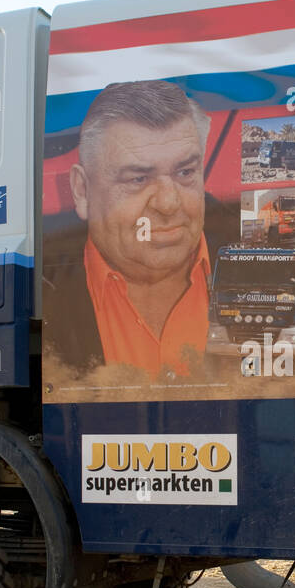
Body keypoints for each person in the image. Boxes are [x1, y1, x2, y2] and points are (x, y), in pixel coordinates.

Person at [45, 79, 213, 377]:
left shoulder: (270, 266)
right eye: (138, 179)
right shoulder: (43, 296)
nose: (167, 203)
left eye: (185, 172)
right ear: (82, 190)